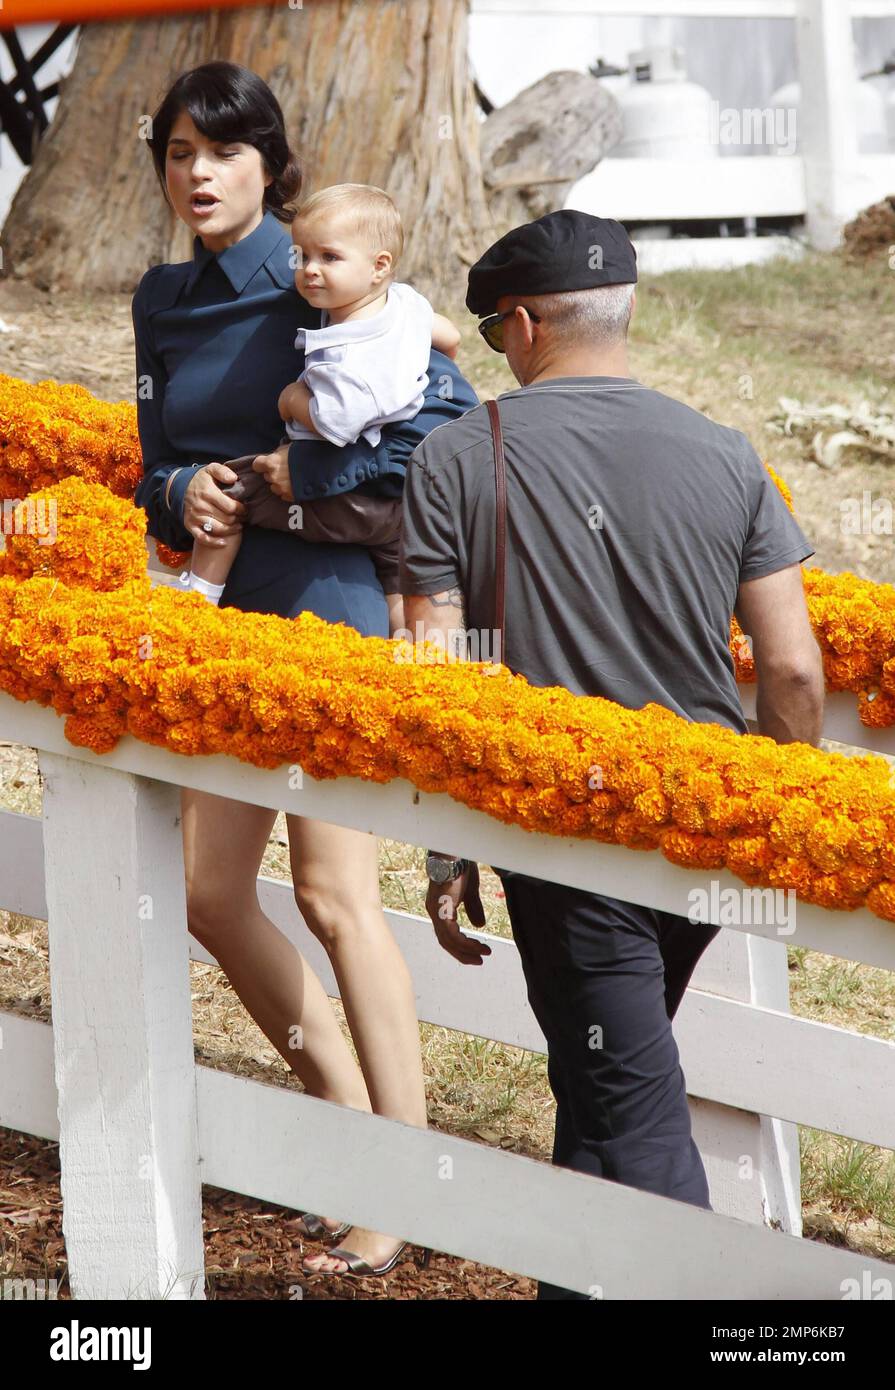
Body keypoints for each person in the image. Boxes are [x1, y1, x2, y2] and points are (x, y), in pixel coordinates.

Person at [399, 208, 825, 1299]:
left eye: (494, 332)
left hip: (561, 833)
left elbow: (436, 673)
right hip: (705, 827)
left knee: (627, 1107)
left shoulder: (456, 454)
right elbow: (791, 674)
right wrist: (777, 814)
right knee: (596, 1077)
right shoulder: (727, 454)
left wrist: (445, 852)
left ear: (525, 323)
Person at [133, 59, 477, 1280]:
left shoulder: (325, 268)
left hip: (330, 606)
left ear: (265, 167)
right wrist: (188, 486)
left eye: (220, 154)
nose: (196, 174)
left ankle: (404, 1179)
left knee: (334, 895)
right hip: (226, 614)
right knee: (209, 890)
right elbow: (150, 464)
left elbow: (445, 425)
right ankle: (345, 1125)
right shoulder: (161, 298)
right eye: (178, 152)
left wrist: (287, 481)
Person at [185, 182, 461, 635]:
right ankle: (409, 655)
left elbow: (336, 421)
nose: (310, 270)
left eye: (329, 258)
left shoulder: (349, 350)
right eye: (302, 256)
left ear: (379, 266)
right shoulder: (407, 305)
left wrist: (293, 400)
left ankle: (197, 594)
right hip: (395, 508)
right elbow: (449, 338)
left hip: (340, 496)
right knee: (396, 581)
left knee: (227, 493)